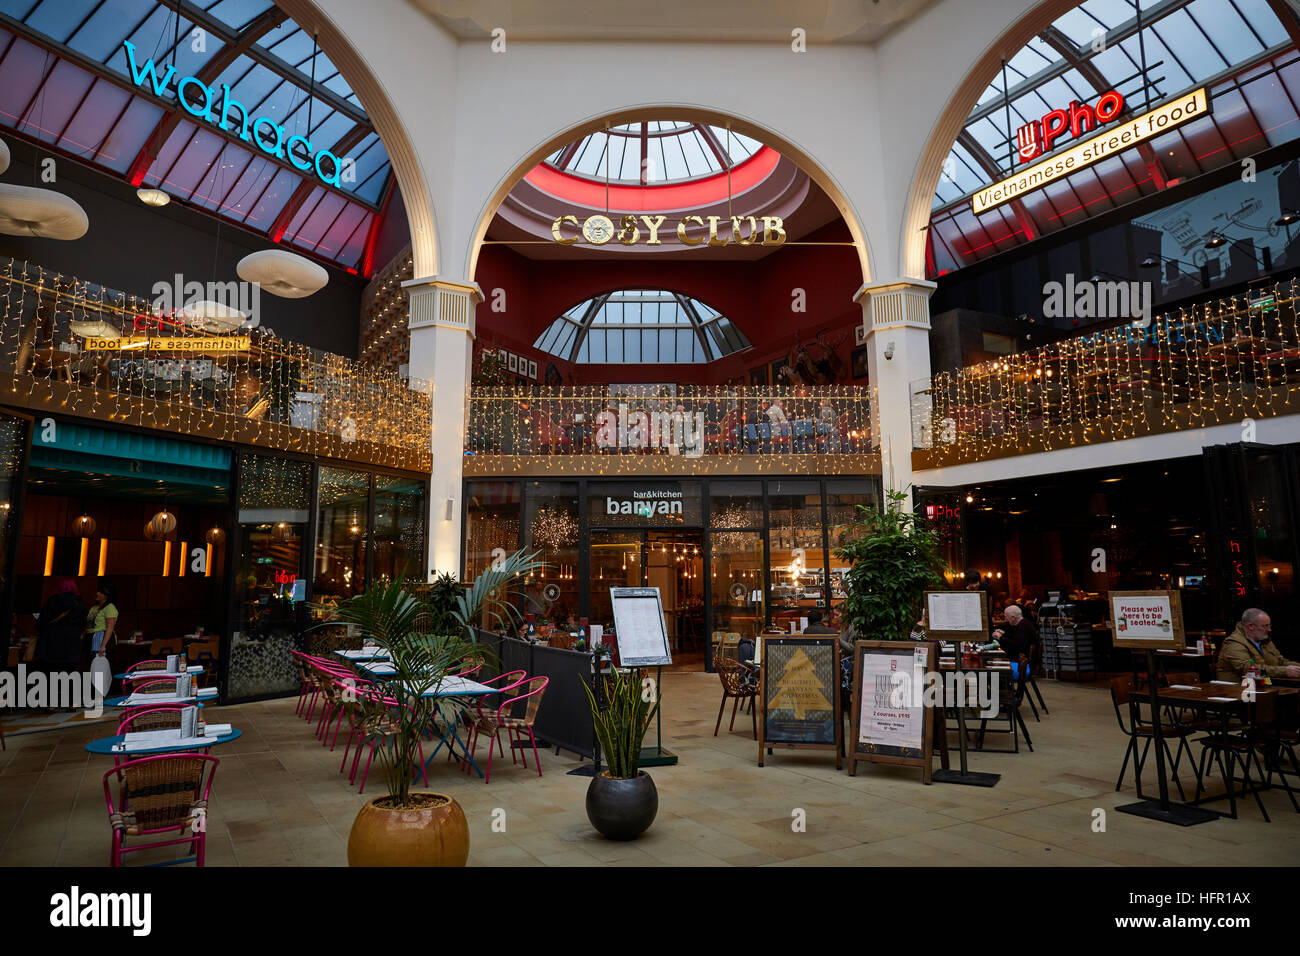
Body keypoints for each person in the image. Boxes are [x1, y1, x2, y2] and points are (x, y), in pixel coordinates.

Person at [34, 580, 86, 712]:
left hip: (51, 643)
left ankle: (51, 704)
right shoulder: (79, 603)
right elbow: (83, 623)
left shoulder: (52, 601)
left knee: (51, 674)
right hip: (71, 644)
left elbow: (41, 624)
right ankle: (72, 703)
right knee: (70, 674)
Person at [1214, 608, 1300, 682]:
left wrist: (1296, 667)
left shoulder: (1264, 640)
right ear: (1251, 626)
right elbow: (1248, 668)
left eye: (1269, 625)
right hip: (1237, 690)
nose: (1269, 629)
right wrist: (1284, 671)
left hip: (1262, 686)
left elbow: (1280, 661)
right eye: (1265, 626)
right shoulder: (1233, 643)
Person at [992, 604, 1037, 677]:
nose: (1006, 620)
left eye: (1006, 617)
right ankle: (1002, 686)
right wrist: (1004, 634)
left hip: (1019, 665)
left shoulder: (1023, 626)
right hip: (1018, 661)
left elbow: (1016, 645)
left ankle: (1000, 687)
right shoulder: (1024, 623)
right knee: (994, 662)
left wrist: (1001, 638)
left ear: (1013, 617)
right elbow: (1016, 640)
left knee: (992, 670)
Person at [85, 582, 119, 659]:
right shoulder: (94, 607)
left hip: (101, 638)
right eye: (98, 591)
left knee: (99, 665)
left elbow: (110, 628)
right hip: (90, 637)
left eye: (101, 592)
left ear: (107, 596)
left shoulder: (109, 608)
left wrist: (103, 645)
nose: (97, 593)